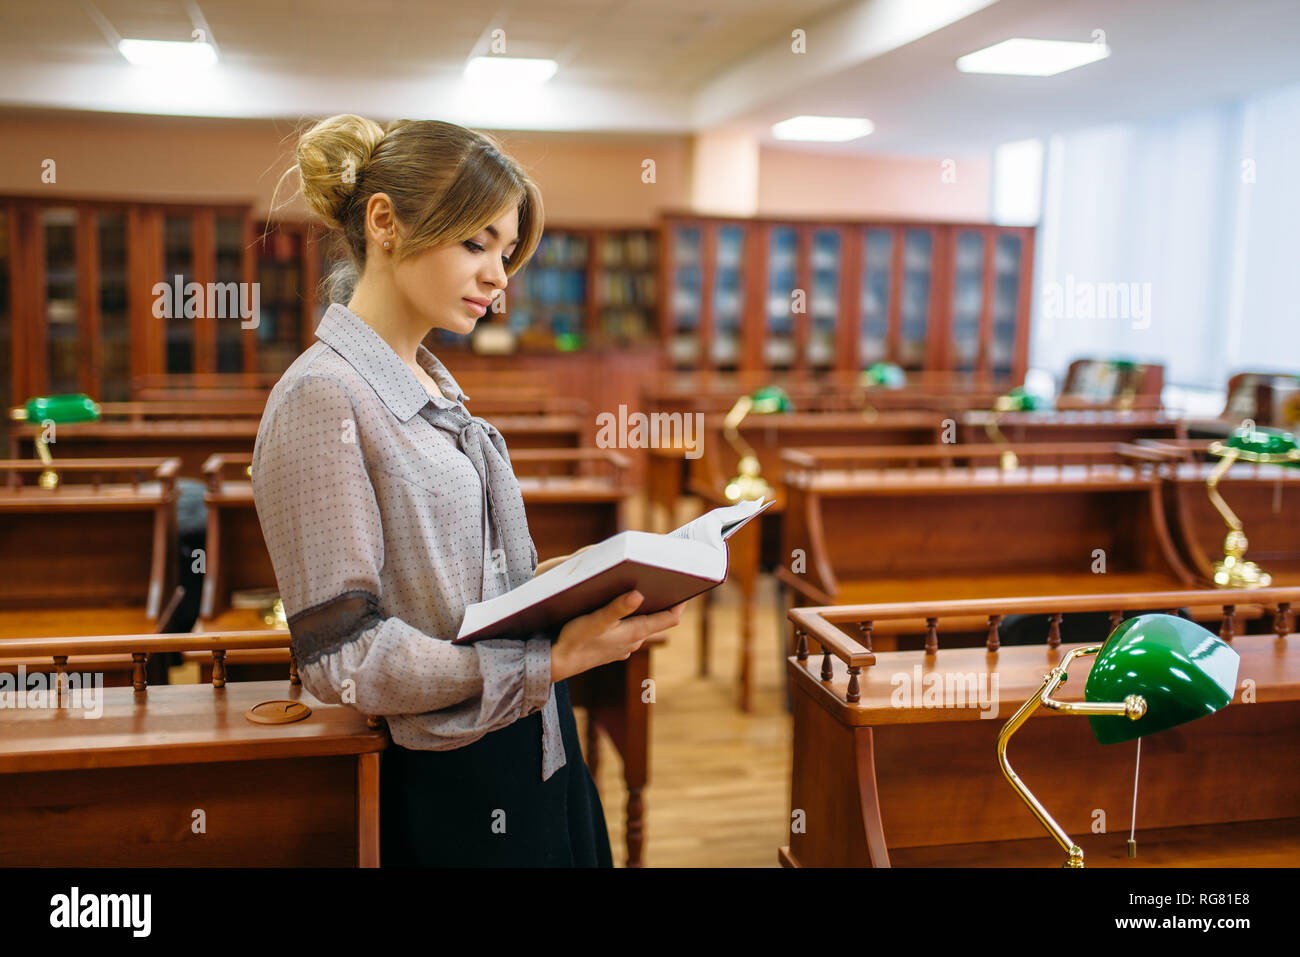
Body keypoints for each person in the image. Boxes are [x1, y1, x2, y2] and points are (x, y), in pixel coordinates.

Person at [252, 114, 684, 866]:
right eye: (476, 242)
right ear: (385, 222)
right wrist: (549, 660)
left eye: (507, 251)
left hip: (536, 738)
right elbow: (344, 661)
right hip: (451, 777)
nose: (499, 275)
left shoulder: (428, 377)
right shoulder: (322, 397)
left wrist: (574, 580)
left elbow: (454, 591)